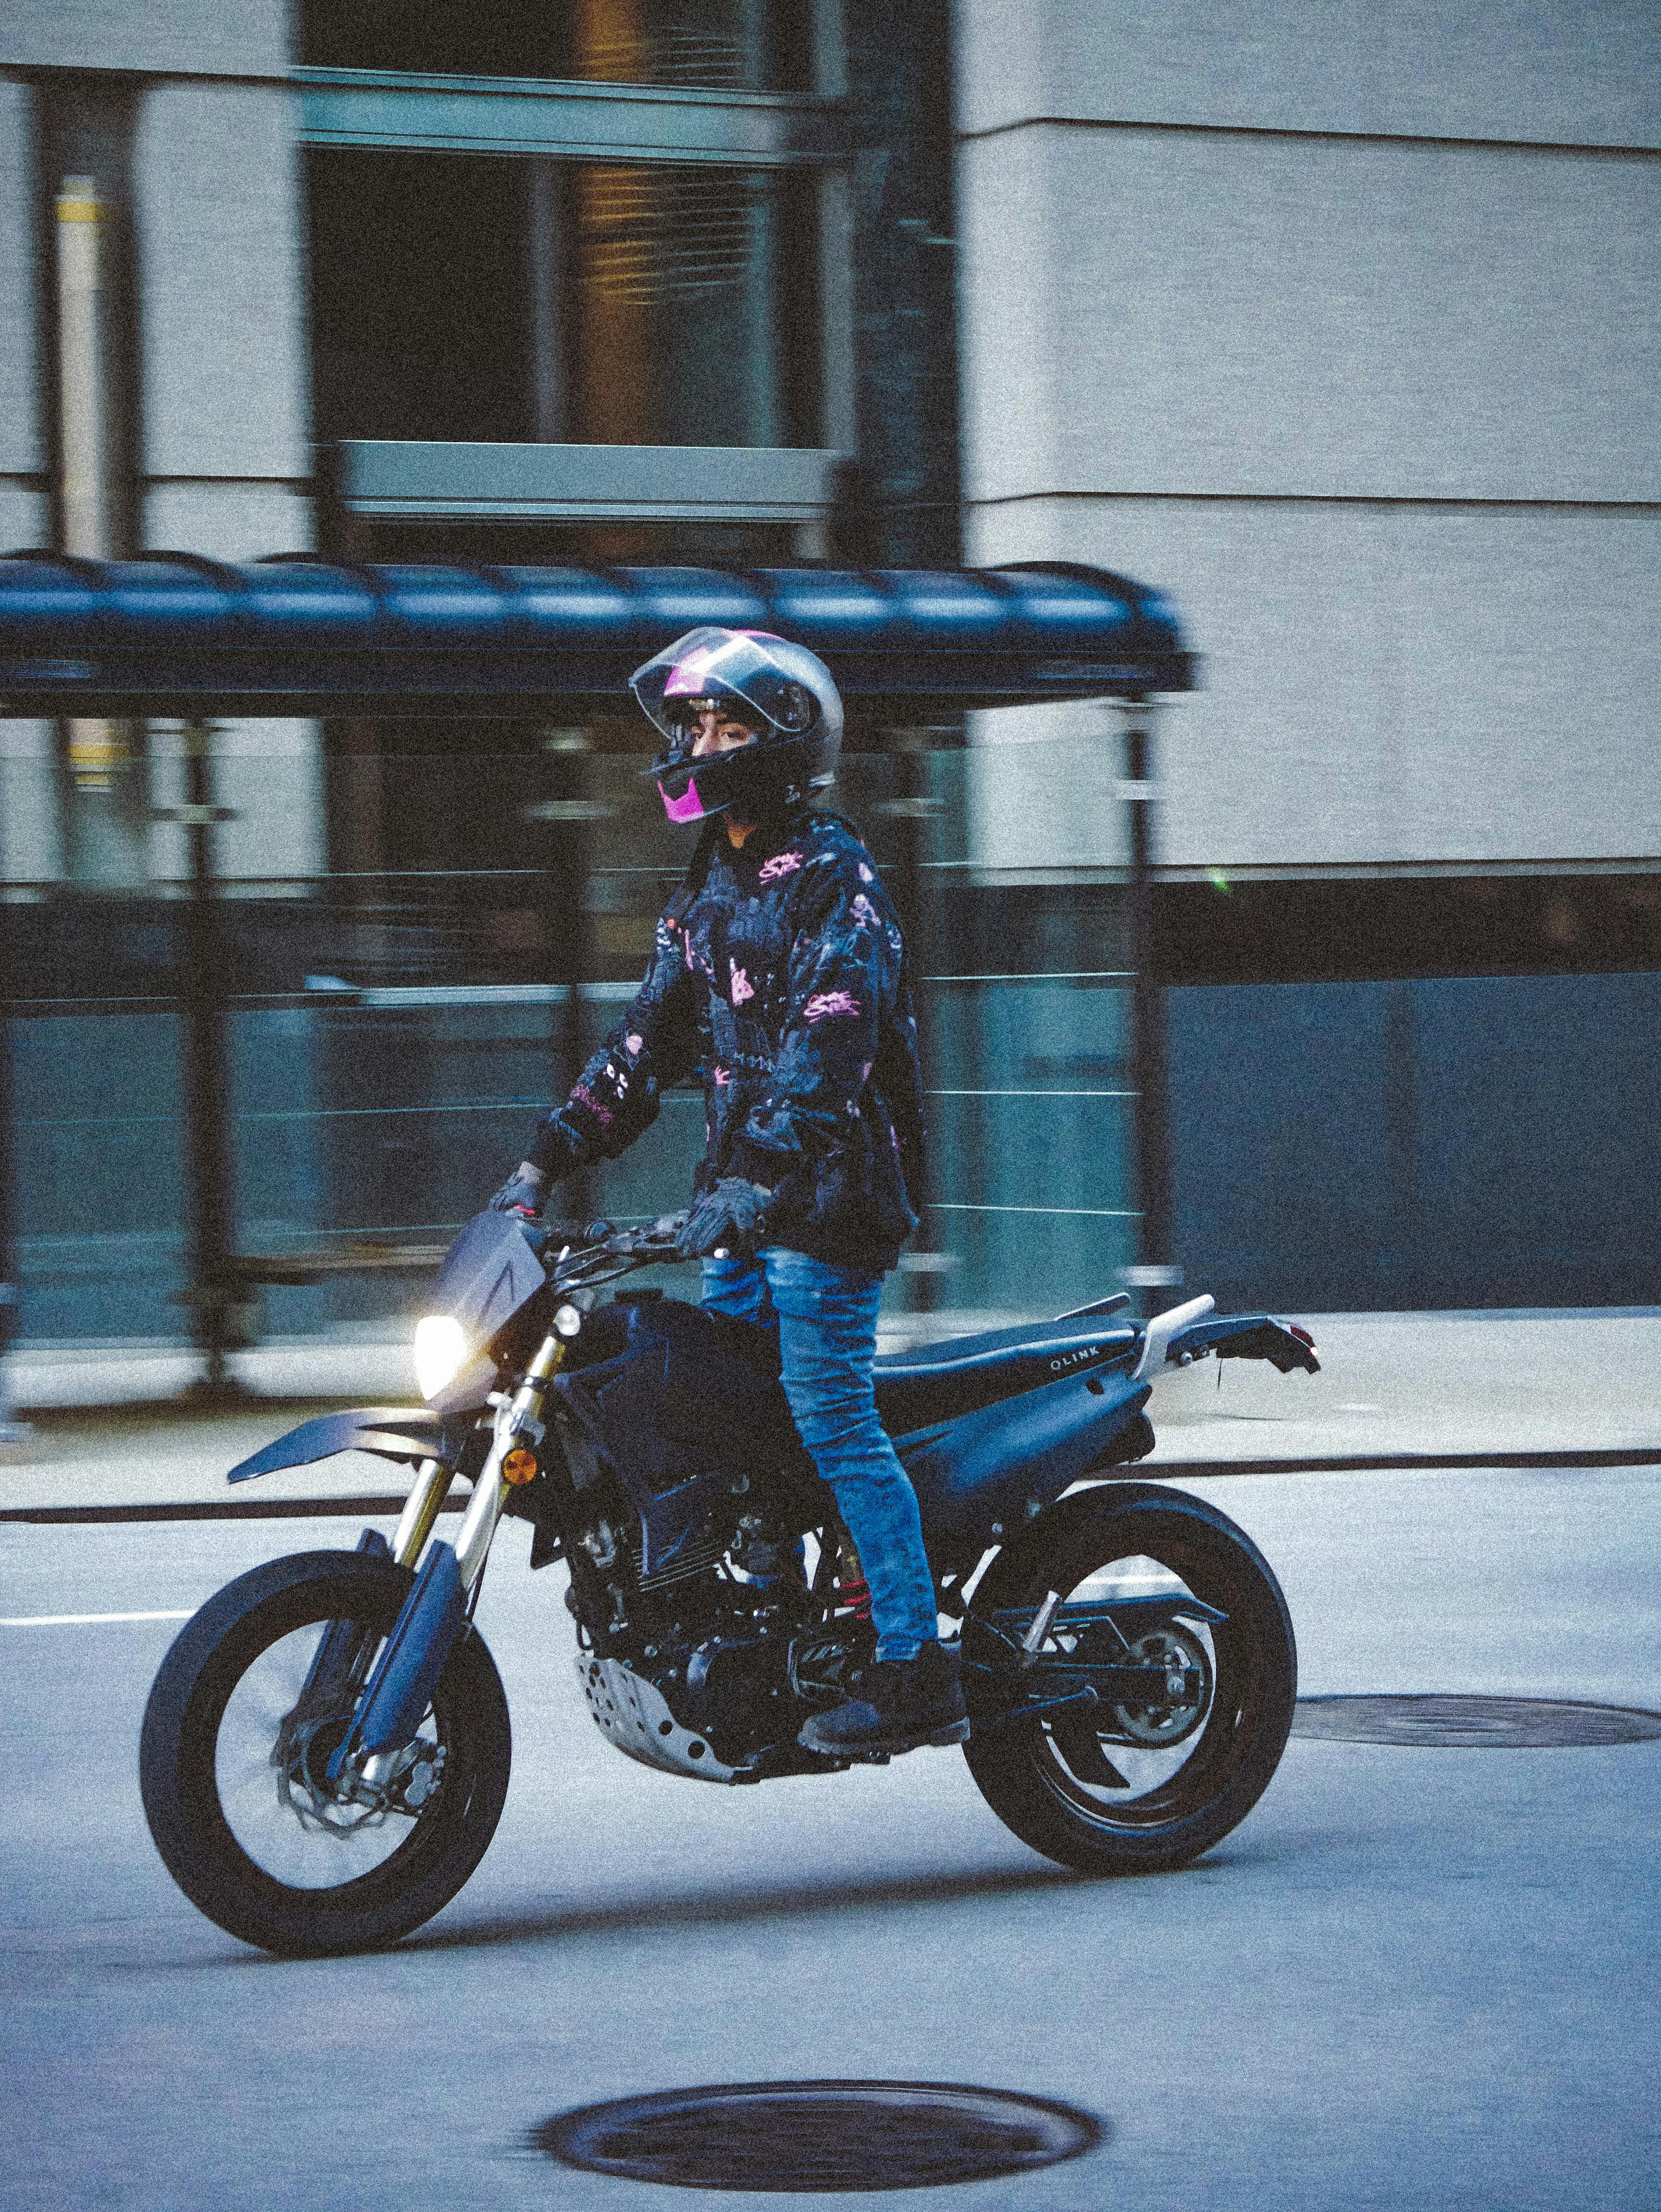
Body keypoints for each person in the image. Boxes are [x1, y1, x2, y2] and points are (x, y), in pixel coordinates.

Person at [488, 626, 967, 1758]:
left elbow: (828, 1059)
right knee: (728, 1423)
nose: (698, 743)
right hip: (739, 1210)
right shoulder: (712, 881)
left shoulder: (838, 881)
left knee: (828, 1413)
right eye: (693, 724)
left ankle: (914, 1662)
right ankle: (769, 1622)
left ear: (785, 745)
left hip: (825, 1206)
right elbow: (647, 1039)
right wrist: (545, 1157)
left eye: (724, 724)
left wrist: (753, 1181)